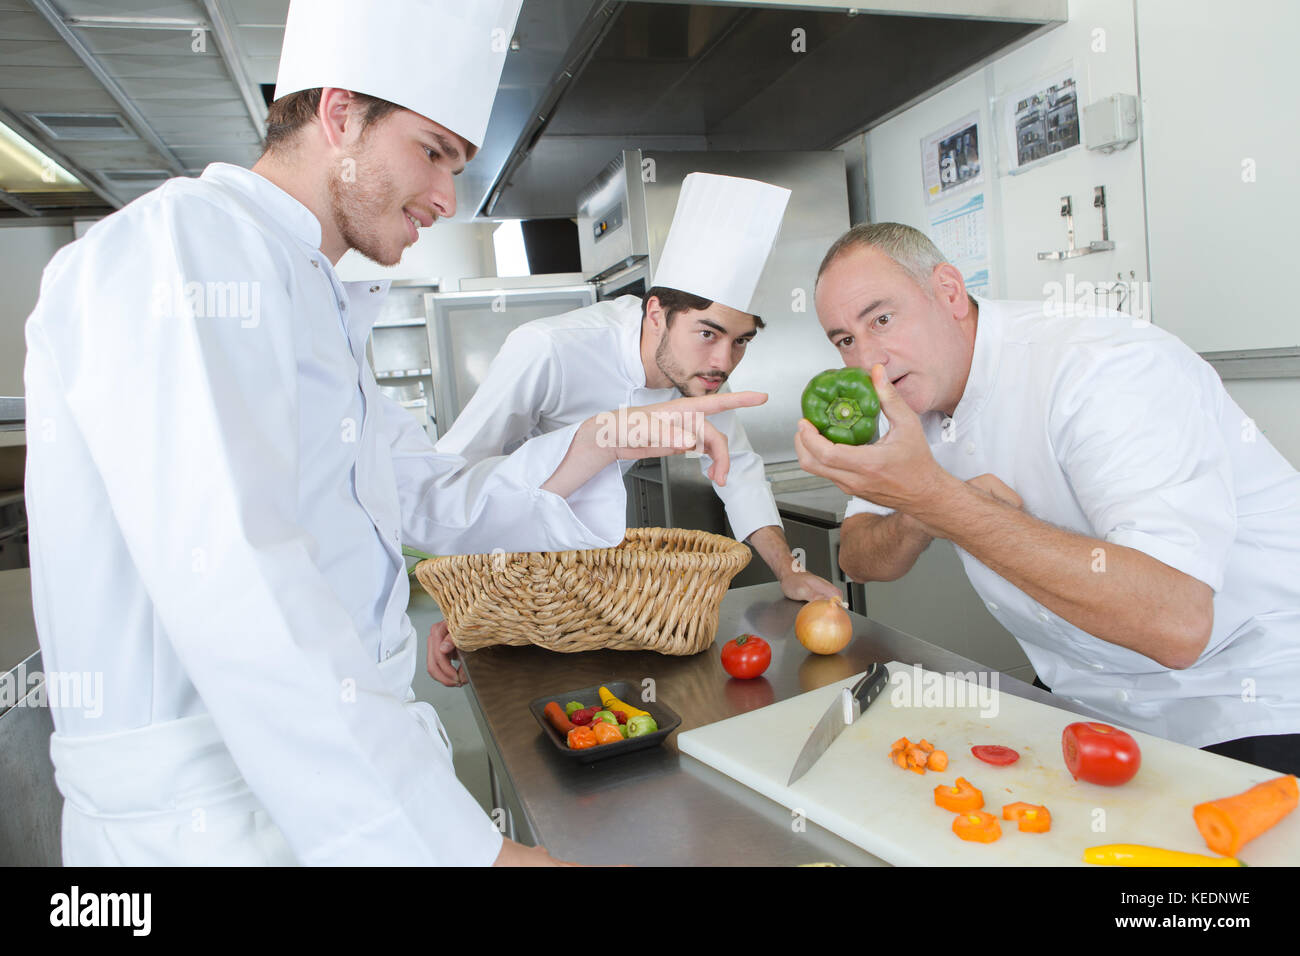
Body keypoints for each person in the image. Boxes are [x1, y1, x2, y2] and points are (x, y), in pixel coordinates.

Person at [22, 0, 763, 866]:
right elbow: (242, 582)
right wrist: (460, 853)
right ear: (339, 114)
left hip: (338, 786)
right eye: (433, 151)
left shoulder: (317, 302)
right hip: (215, 823)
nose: (448, 198)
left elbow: (433, 494)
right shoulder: (184, 250)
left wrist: (612, 436)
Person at [797, 221, 1300, 774]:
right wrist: (922, 511)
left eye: (882, 319)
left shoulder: (1102, 368)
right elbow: (860, 559)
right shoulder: (899, 398)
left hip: (1246, 695)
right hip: (1080, 694)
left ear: (948, 291)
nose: (870, 361)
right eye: (845, 340)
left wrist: (938, 498)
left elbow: (1175, 624)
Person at [426, 173, 842, 685]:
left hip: (594, 578)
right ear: (655, 313)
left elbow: (738, 471)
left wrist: (788, 571)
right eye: (707, 334)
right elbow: (453, 477)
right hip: (515, 565)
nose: (722, 361)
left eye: (740, 341)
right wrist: (459, 599)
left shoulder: (700, 377)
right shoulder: (550, 349)